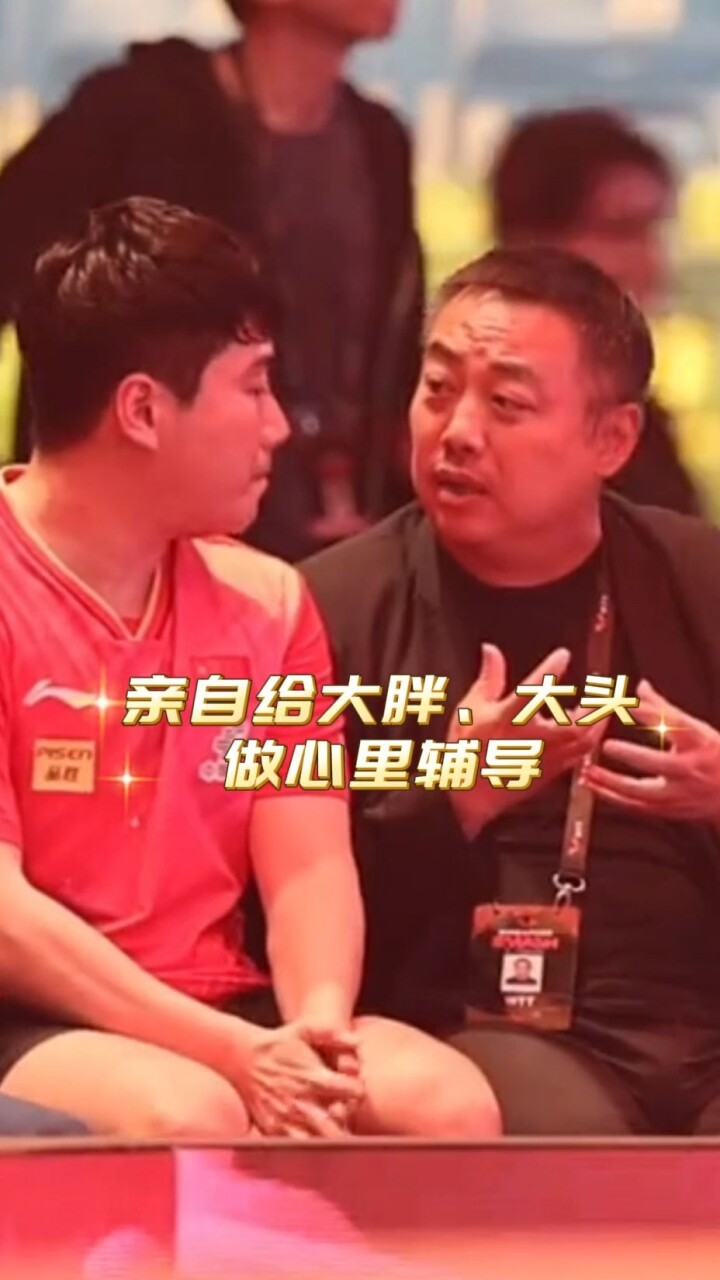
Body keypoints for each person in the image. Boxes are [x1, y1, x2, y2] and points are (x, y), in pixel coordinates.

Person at [0, 196, 498, 1142]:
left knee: (443, 1102)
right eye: (255, 388)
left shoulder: (268, 601)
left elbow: (309, 863)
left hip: (229, 1007)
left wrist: (315, 1031)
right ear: (143, 410)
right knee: (195, 1113)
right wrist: (235, 1056)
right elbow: (7, 920)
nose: (279, 427)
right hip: (36, 1012)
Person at [302, 244, 720, 1136]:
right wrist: (453, 797)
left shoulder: (698, 581)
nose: (457, 431)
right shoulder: (327, 611)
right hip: (476, 1037)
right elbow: (282, 907)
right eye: (438, 388)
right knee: (569, 1144)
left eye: (507, 404)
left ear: (613, 440)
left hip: (701, 1027)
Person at [0, 0, 421, 560]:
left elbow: (390, 344)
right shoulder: (137, 112)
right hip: (138, 543)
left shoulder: (380, 140)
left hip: (336, 528)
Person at [488, 107, 702, 516]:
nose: (648, 261)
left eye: (653, 232)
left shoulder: (638, 427)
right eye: (620, 231)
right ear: (530, 243)